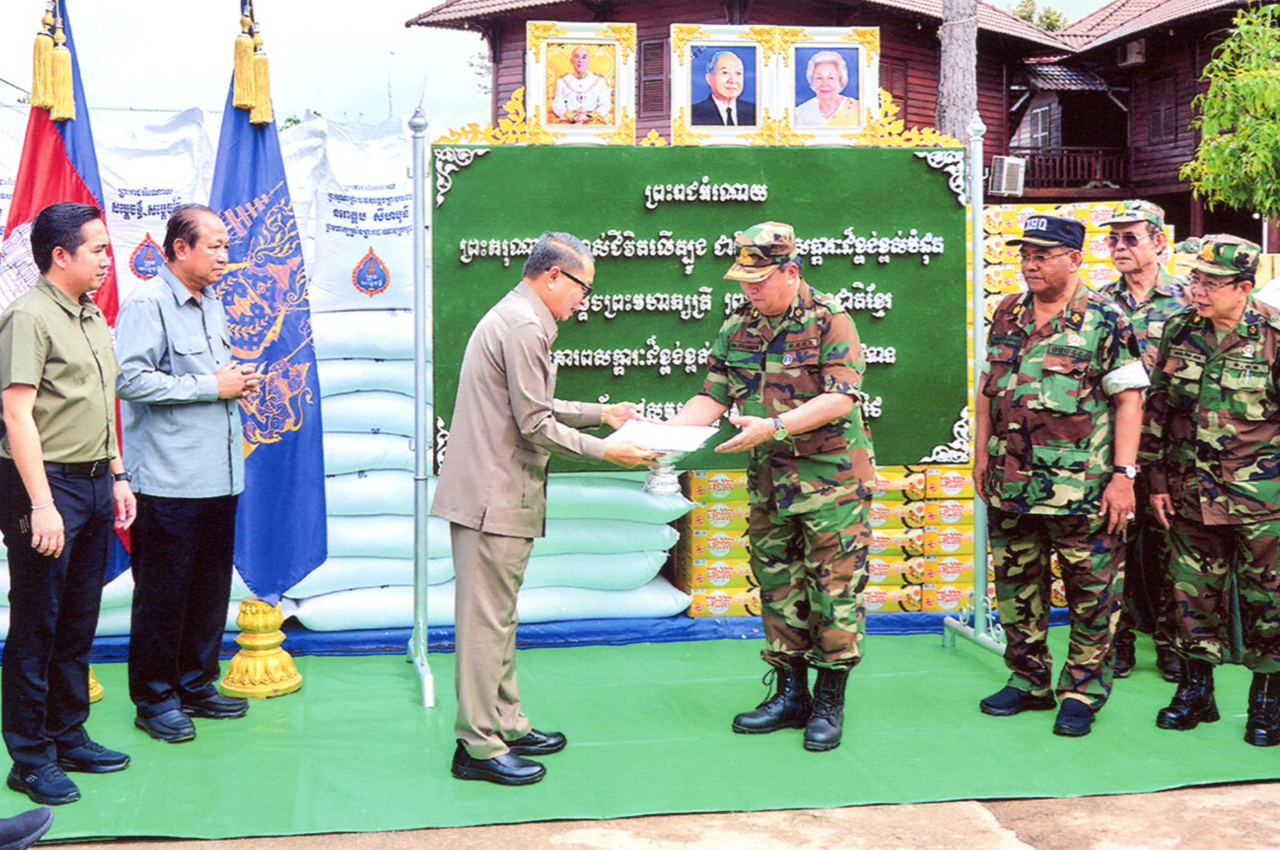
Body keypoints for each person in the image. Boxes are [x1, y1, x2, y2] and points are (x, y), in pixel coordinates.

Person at [431, 232, 658, 786]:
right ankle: (477, 746)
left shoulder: (518, 317)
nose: (584, 300)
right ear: (553, 276)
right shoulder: (526, 325)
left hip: (498, 491)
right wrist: (609, 450)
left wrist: (598, 414)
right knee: (486, 624)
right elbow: (533, 423)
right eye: (583, 287)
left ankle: (505, 722)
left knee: (499, 619)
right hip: (493, 496)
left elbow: (530, 404)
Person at [666, 221, 875, 753]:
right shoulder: (738, 326)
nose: (749, 289)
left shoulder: (832, 320)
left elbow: (840, 398)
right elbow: (711, 395)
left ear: (790, 270)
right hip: (771, 480)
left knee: (832, 588)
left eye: (759, 279)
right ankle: (789, 694)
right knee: (778, 584)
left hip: (832, 480)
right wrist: (665, 435)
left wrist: (776, 426)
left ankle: (829, 699)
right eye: (742, 279)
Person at [974, 215, 1147, 737]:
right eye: (1025, 253)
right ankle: (1027, 679)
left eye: (1043, 255)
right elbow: (987, 387)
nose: (1029, 263)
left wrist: (1123, 476)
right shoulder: (1006, 311)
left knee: (1092, 594)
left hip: (1083, 490)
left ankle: (1082, 691)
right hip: (1011, 483)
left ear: (1074, 259)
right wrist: (981, 454)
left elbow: (1129, 400)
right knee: (1017, 588)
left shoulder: (1104, 317)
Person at [0, 203, 135, 805]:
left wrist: (119, 475)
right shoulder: (28, 318)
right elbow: (16, 413)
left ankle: (66, 733)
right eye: (98, 250)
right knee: (37, 622)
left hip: (95, 483)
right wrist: (43, 504)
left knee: (78, 619)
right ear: (61, 255)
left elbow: (96, 405)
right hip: (44, 487)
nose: (108, 260)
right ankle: (28, 757)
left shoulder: (90, 317)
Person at [114, 205, 259, 744]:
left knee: (207, 589)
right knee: (163, 594)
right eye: (214, 246)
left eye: (226, 246)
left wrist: (233, 380)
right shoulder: (147, 304)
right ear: (179, 249)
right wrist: (208, 386)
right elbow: (129, 380)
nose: (224, 256)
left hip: (219, 475)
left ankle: (196, 685)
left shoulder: (212, 303)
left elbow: (208, 376)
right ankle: (154, 700)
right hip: (169, 482)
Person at [1140, 234, 1280, 746]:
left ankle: (1267, 702)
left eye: (1211, 282)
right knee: (1192, 598)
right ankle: (1196, 693)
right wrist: (1155, 479)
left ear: (1243, 287)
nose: (1197, 290)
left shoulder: (1273, 336)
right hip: (1190, 493)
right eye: (1195, 279)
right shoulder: (1180, 331)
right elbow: (1159, 410)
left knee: (1269, 602)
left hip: (1264, 499)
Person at [1096, 200, 1188, 682]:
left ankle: (1172, 643)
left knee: (1172, 549)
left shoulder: (1187, 303)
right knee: (1116, 548)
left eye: (1130, 238)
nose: (1119, 247)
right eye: (1113, 239)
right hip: (1115, 449)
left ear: (1159, 243)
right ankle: (1122, 640)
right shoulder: (1098, 303)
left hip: (1170, 450)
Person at [795, 51, 860, 128]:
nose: (824, 84)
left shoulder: (858, 110)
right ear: (812, 82)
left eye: (831, 78)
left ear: (841, 81)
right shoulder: (800, 113)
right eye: (819, 78)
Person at [691, 51, 756, 126]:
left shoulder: (754, 112)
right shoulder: (692, 114)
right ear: (709, 78)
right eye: (725, 73)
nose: (733, 80)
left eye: (738, 73)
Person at [550, 45, 610, 125]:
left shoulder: (599, 80)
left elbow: (605, 104)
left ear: (588, 60)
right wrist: (572, 117)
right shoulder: (562, 81)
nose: (580, 61)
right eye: (577, 57)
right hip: (569, 123)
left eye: (584, 57)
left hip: (593, 123)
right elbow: (557, 105)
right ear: (571, 60)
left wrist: (588, 116)